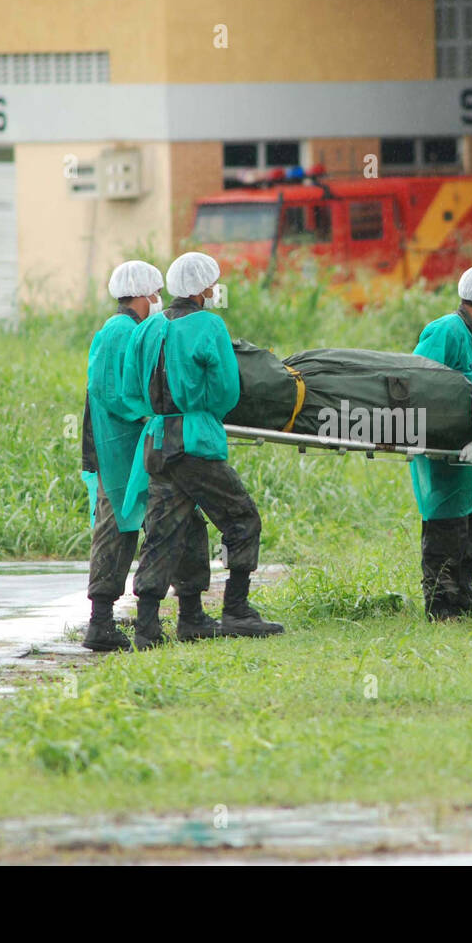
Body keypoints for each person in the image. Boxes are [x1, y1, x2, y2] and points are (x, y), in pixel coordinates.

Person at [119, 251, 284, 649]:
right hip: (196, 441)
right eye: (212, 284)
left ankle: (151, 627)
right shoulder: (210, 326)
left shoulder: (148, 329)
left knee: (166, 531)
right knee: (242, 519)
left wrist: (160, 412)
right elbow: (227, 391)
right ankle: (237, 610)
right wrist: (199, 411)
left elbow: (129, 390)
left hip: (157, 443)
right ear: (204, 288)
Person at [410, 265, 472, 621]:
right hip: (440, 446)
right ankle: (438, 601)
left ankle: (463, 591)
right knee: (445, 521)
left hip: (465, 450)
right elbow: (419, 381)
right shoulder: (446, 330)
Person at [81, 260, 164, 652]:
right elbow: (108, 390)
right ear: (141, 293)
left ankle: (140, 618)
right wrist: (147, 409)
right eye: (155, 293)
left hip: (127, 444)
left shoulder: (131, 329)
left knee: (132, 526)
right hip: (115, 447)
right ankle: (100, 624)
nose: (158, 300)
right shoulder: (118, 332)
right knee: (115, 528)